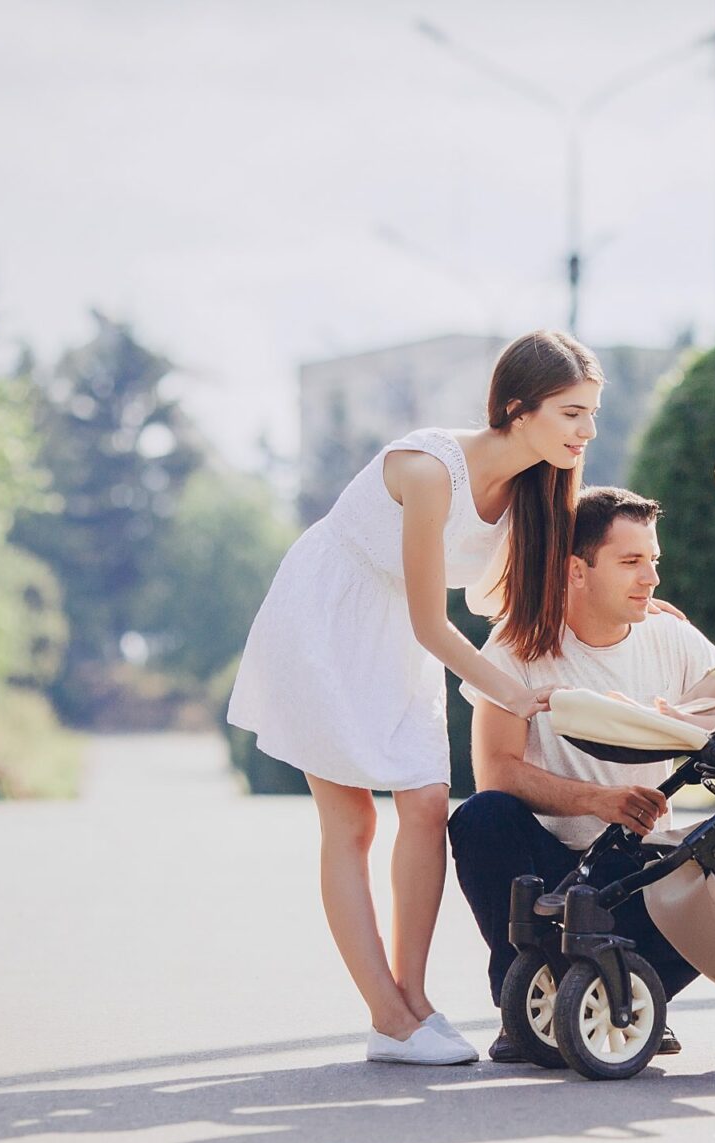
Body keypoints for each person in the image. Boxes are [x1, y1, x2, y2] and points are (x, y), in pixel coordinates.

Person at [228, 330, 600, 1066]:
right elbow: (436, 623)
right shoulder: (431, 470)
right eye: (571, 413)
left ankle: (413, 1002)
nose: (586, 430)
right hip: (327, 618)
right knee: (352, 821)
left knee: (428, 806)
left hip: (397, 637)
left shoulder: (536, 491)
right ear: (517, 408)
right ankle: (389, 1016)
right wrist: (516, 696)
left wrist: (637, 610)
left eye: (592, 414)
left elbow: (519, 598)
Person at [449, 486, 715, 1063]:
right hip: (550, 869)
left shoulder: (672, 637)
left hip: (637, 867)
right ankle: (524, 1010)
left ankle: (634, 998)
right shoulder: (516, 645)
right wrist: (596, 800)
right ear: (576, 570)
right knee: (481, 818)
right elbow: (496, 772)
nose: (651, 578)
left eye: (653, 560)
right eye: (631, 561)